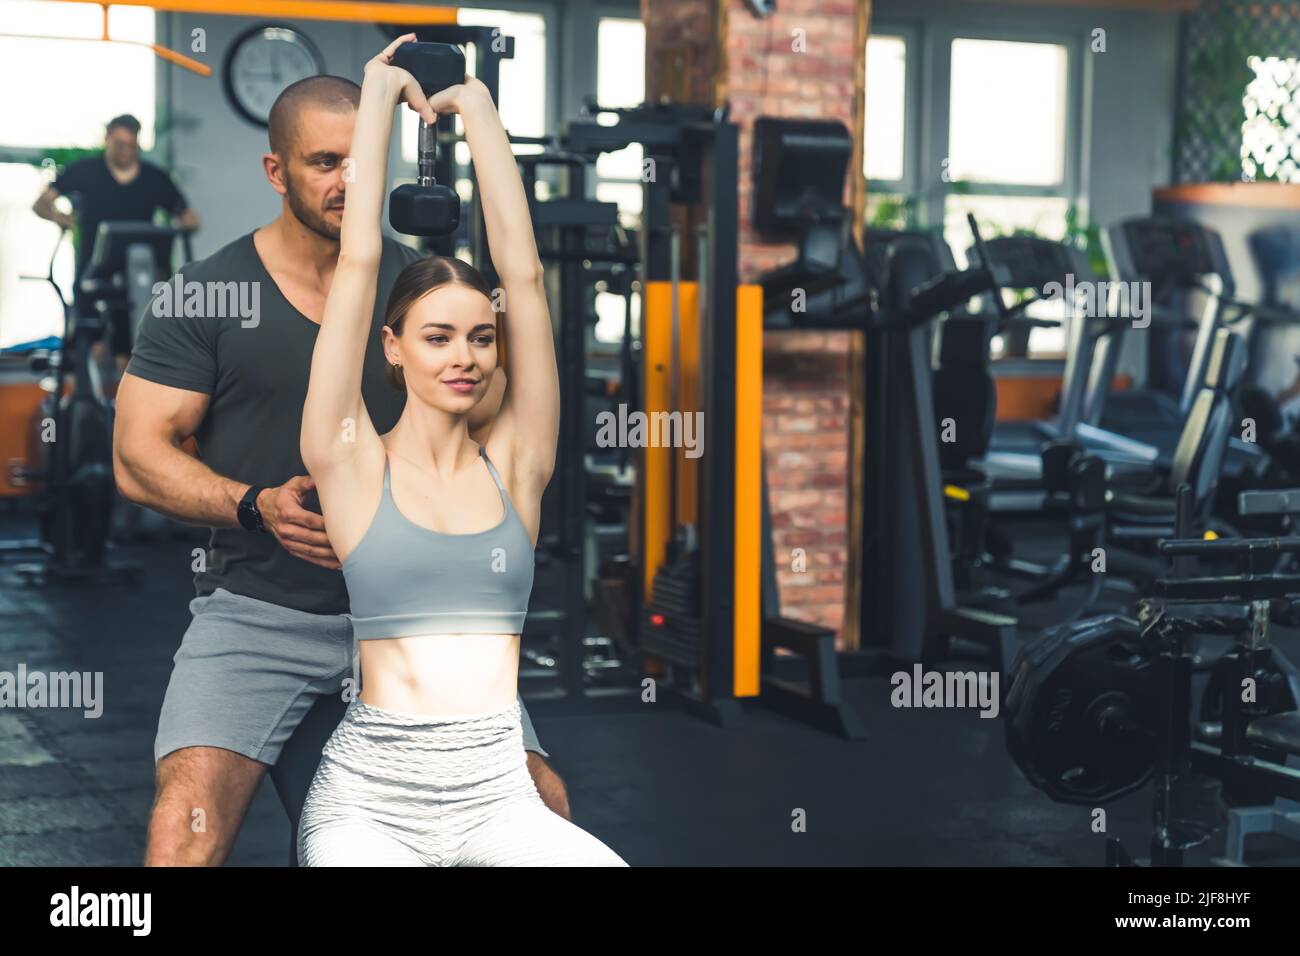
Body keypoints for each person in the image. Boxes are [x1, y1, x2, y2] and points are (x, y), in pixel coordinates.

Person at [113, 69, 569, 867]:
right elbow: (137, 457)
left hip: (418, 615)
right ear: (275, 171)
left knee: (546, 803)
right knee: (182, 829)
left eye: (363, 162)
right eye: (327, 162)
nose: (347, 181)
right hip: (264, 610)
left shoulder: (425, 297)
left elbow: (503, 370)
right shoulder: (206, 295)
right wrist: (255, 505)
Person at [294, 35, 626, 866]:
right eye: (437, 336)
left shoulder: (517, 464)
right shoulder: (351, 460)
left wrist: (479, 111)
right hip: (369, 799)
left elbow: (527, 274)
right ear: (394, 348)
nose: (465, 357)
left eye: (481, 337)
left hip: (494, 789)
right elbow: (360, 255)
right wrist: (377, 100)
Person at [33, 114, 200, 377]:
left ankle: (130, 410)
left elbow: (190, 219)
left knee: (132, 348)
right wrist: (62, 218)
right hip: (93, 272)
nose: (125, 151)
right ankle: (81, 407)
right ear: (107, 140)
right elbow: (41, 203)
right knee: (91, 345)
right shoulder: (86, 171)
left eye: (130, 145)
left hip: (138, 277)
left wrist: (179, 227)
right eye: (119, 144)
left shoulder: (155, 178)